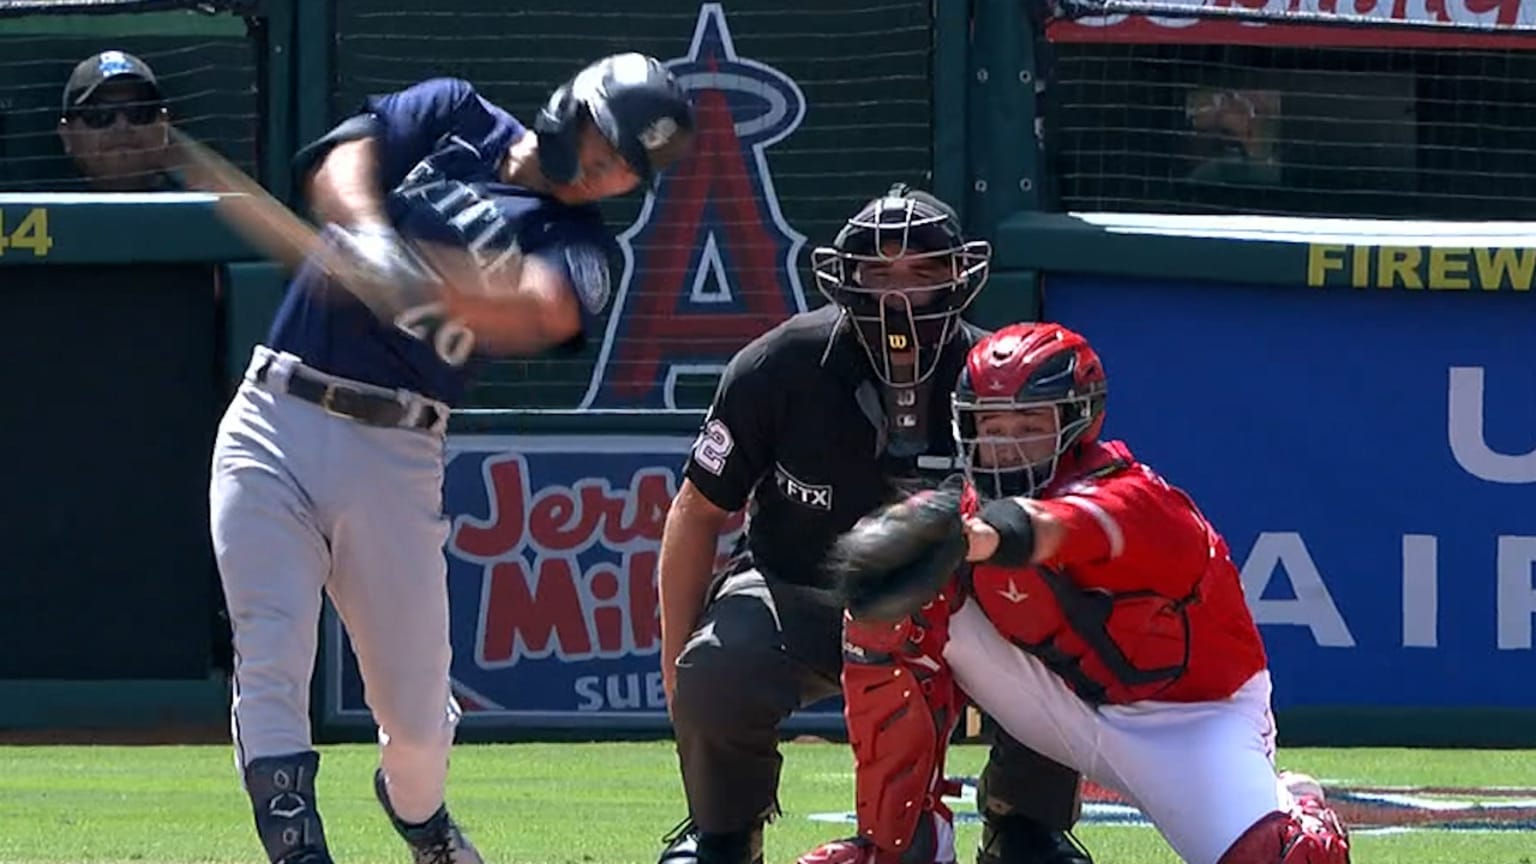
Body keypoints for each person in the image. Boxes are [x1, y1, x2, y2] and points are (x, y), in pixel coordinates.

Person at [204, 55, 694, 864]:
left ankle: (418, 813)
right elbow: (339, 166)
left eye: (624, 173)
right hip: (274, 415)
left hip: (394, 451)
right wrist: (366, 233)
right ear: (570, 109)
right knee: (271, 644)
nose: (604, 177)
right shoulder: (455, 113)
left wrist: (424, 281)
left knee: (418, 714)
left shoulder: (583, 245)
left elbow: (539, 309)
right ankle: (297, 848)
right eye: (603, 149)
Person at [796, 322, 1353, 864]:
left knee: (1293, 858)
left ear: (1076, 422)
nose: (1007, 447)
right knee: (893, 600)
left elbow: (1057, 526)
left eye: (1029, 425)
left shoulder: (1138, 500)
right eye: (992, 427)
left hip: (1189, 721)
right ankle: (902, 844)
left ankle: (1300, 803)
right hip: (1055, 701)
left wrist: (977, 536)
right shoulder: (964, 513)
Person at [657, 185, 1091, 864]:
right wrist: (674, 656)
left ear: (961, 275)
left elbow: (1057, 520)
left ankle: (1024, 824)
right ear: (843, 278)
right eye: (878, 272)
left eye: (923, 272)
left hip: (961, 605)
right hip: (800, 589)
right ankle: (723, 831)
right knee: (716, 665)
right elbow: (697, 510)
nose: (900, 294)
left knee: (1061, 637)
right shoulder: (778, 364)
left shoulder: (1002, 378)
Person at [57, 50, 180, 192]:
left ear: (164, 124)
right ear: (67, 135)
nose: (122, 126)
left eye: (138, 112)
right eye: (100, 114)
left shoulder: (203, 208)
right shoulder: (40, 207)